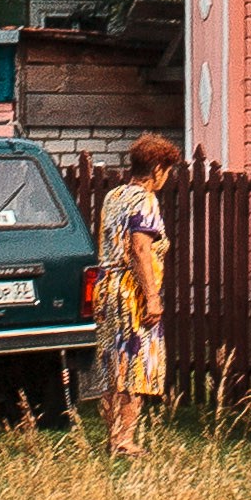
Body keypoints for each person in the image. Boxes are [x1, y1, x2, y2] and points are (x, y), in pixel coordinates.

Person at [84, 133, 177, 458]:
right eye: (166, 170)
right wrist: (151, 296)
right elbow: (140, 249)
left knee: (114, 365)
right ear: (156, 169)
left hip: (107, 288)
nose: (166, 177)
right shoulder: (145, 200)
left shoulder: (114, 196)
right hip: (130, 292)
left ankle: (114, 437)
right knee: (135, 365)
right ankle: (124, 440)